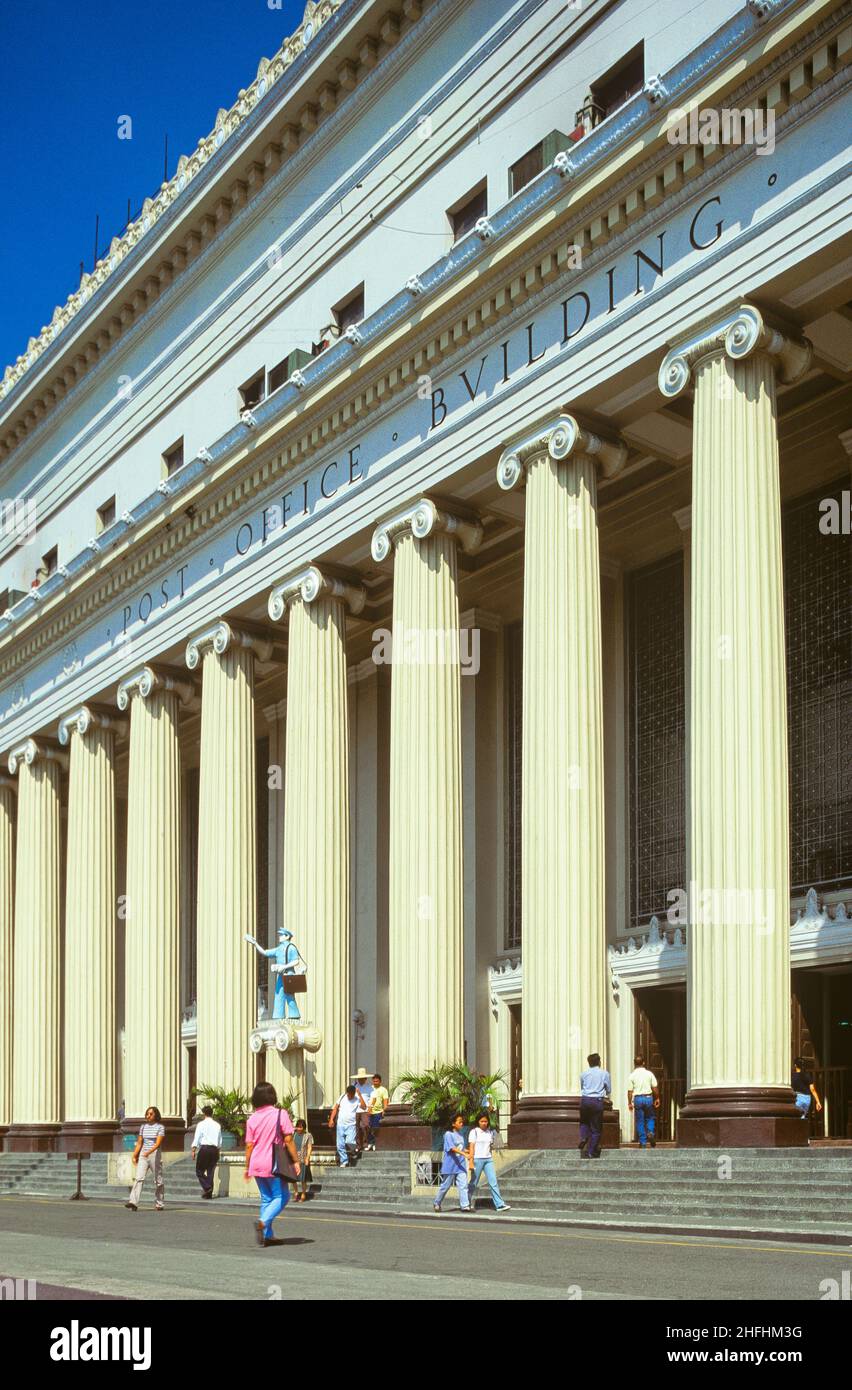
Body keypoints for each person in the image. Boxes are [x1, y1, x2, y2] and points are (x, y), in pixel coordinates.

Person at [243, 1081, 300, 1246]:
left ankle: (267, 1235)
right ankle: (263, 1222)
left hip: (256, 1162)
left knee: (267, 1198)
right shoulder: (280, 1114)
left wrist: (247, 1167)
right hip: (273, 1162)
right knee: (282, 1196)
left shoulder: (252, 1118)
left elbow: (249, 1145)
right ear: (272, 1096)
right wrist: (296, 1161)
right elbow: (288, 1139)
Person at [467, 1111, 510, 1212]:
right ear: (478, 1122)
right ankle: (466, 1202)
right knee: (473, 1182)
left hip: (488, 1159)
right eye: (482, 1121)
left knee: (493, 1181)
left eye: (486, 1121)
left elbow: (490, 1146)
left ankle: (499, 1204)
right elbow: (471, 1147)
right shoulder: (474, 1132)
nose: (484, 1123)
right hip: (477, 1159)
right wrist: (471, 1161)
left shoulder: (490, 1132)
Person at [125, 1106, 165, 1211]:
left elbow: (157, 1143)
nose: (148, 1116)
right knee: (139, 1178)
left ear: (156, 1115)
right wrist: (135, 1155)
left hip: (154, 1154)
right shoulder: (143, 1127)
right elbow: (139, 1143)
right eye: (147, 1114)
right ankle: (133, 1202)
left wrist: (149, 1152)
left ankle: (159, 1203)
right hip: (144, 1154)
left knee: (158, 1180)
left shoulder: (160, 1127)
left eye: (151, 1114)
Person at [433, 1113, 472, 1213]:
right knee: (445, 1185)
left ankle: (465, 1205)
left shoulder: (461, 1135)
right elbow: (452, 1148)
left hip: (460, 1165)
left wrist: (467, 1151)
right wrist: (464, 1154)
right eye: (459, 1122)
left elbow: (460, 1148)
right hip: (450, 1165)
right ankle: (437, 1202)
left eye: (462, 1121)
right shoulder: (448, 1134)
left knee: (463, 1185)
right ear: (453, 1124)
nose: (462, 1123)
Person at [579, 1052, 611, 1159]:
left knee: (584, 1122)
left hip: (585, 1100)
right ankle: (591, 1151)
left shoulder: (583, 1074)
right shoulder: (604, 1074)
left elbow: (582, 1087)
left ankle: (583, 1137)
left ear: (588, 1063)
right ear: (599, 1062)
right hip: (597, 1101)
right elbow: (608, 1089)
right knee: (596, 1128)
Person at [627, 1053, 660, 1149]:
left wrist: (629, 1102)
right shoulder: (649, 1074)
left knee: (640, 1121)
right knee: (650, 1117)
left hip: (638, 1098)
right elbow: (655, 1088)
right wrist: (657, 1098)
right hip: (648, 1098)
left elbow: (630, 1091)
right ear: (644, 1063)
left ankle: (643, 1142)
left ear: (634, 1064)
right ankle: (650, 1131)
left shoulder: (632, 1076)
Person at [329, 1083, 366, 1167]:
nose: (350, 1096)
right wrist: (331, 1119)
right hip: (340, 1124)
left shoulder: (357, 1099)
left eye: (352, 1094)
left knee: (350, 1142)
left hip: (351, 1125)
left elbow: (364, 1107)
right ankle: (344, 1161)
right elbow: (335, 1108)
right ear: (347, 1093)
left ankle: (353, 1152)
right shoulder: (342, 1097)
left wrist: (360, 1095)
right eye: (349, 1094)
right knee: (340, 1145)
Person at [191, 1104, 222, 1198]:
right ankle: (208, 1193)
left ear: (204, 1114)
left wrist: (193, 1149)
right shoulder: (217, 1125)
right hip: (214, 1149)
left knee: (199, 1171)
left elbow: (197, 1137)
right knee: (210, 1171)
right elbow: (220, 1140)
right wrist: (218, 1150)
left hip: (204, 1149)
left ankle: (207, 1187)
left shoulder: (201, 1124)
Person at [791, 1057, 823, 1123]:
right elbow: (812, 1089)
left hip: (797, 1098)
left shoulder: (793, 1076)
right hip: (807, 1098)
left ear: (795, 1065)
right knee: (802, 1117)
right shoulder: (807, 1075)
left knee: (795, 1119)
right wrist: (818, 1102)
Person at [352, 1068, 374, 1152]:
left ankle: (365, 1143)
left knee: (365, 1126)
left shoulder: (369, 1088)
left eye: (362, 1078)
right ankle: (358, 1144)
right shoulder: (354, 1086)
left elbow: (372, 1098)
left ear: (365, 1079)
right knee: (356, 1127)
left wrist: (370, 1108)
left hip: (365, 1110)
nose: (360, 1080)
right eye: (359, 1078)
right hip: (355, 1110)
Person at [366, 1073, 389, 1151]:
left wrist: (384, 1111)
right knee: (368, 1128)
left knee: (376, 1128)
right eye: (374, 1081)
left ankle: (375, 1143)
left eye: (377, 1081)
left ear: (380, 1081)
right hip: (369, 1111)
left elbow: (386, 1101)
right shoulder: (370, 1088)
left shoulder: (383, 1090)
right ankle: (370, 1143)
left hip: (378, 1112)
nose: (375, 1083)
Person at [292, 1118, 313, 1201]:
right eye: (298, 1127)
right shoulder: (293, 1134)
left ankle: (303, 1193)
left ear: (304, 1128)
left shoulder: (308, 1135)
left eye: (301, 1127)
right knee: (293, 1178)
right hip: (293, 1159)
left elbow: (309, 1147)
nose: (299, 1129)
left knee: (303, 1179)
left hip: (303, 1158)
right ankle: (296, 1192)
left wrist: (307, 1158)